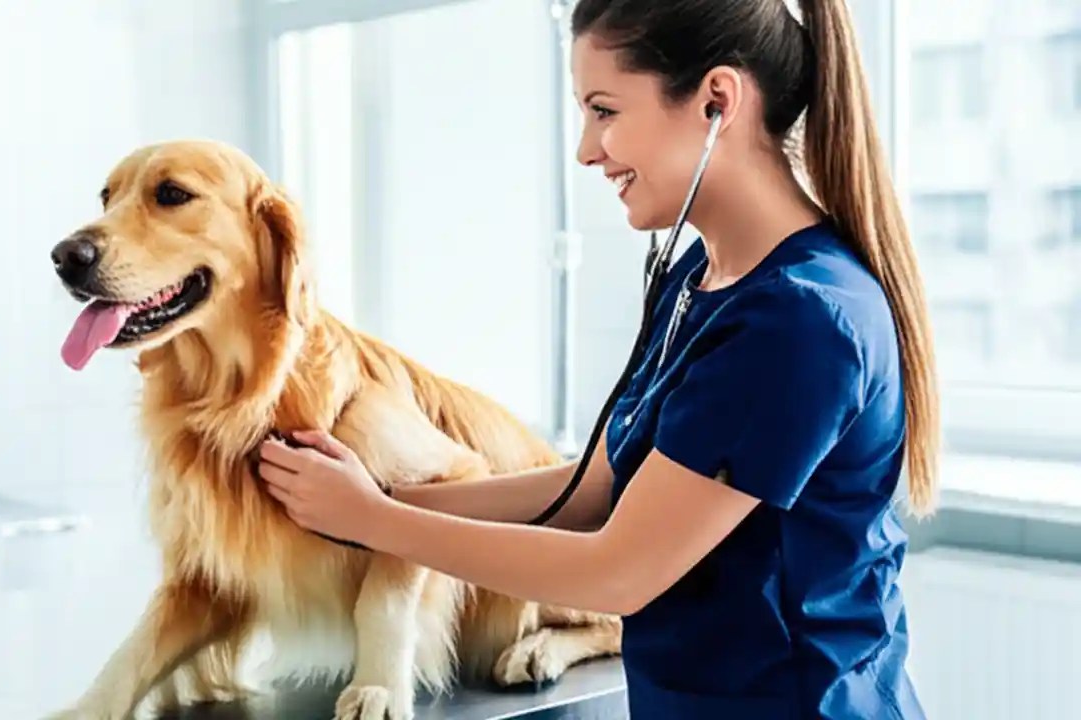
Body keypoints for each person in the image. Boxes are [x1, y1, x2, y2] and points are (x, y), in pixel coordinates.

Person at [255, 0, 939, 717]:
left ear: (716, 100)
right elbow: (593, 492)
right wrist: (379, 500)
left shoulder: (800, 322)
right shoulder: (699, 277)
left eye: (604, 110)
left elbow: (619, 572)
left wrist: (376, 524)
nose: (586, 149)